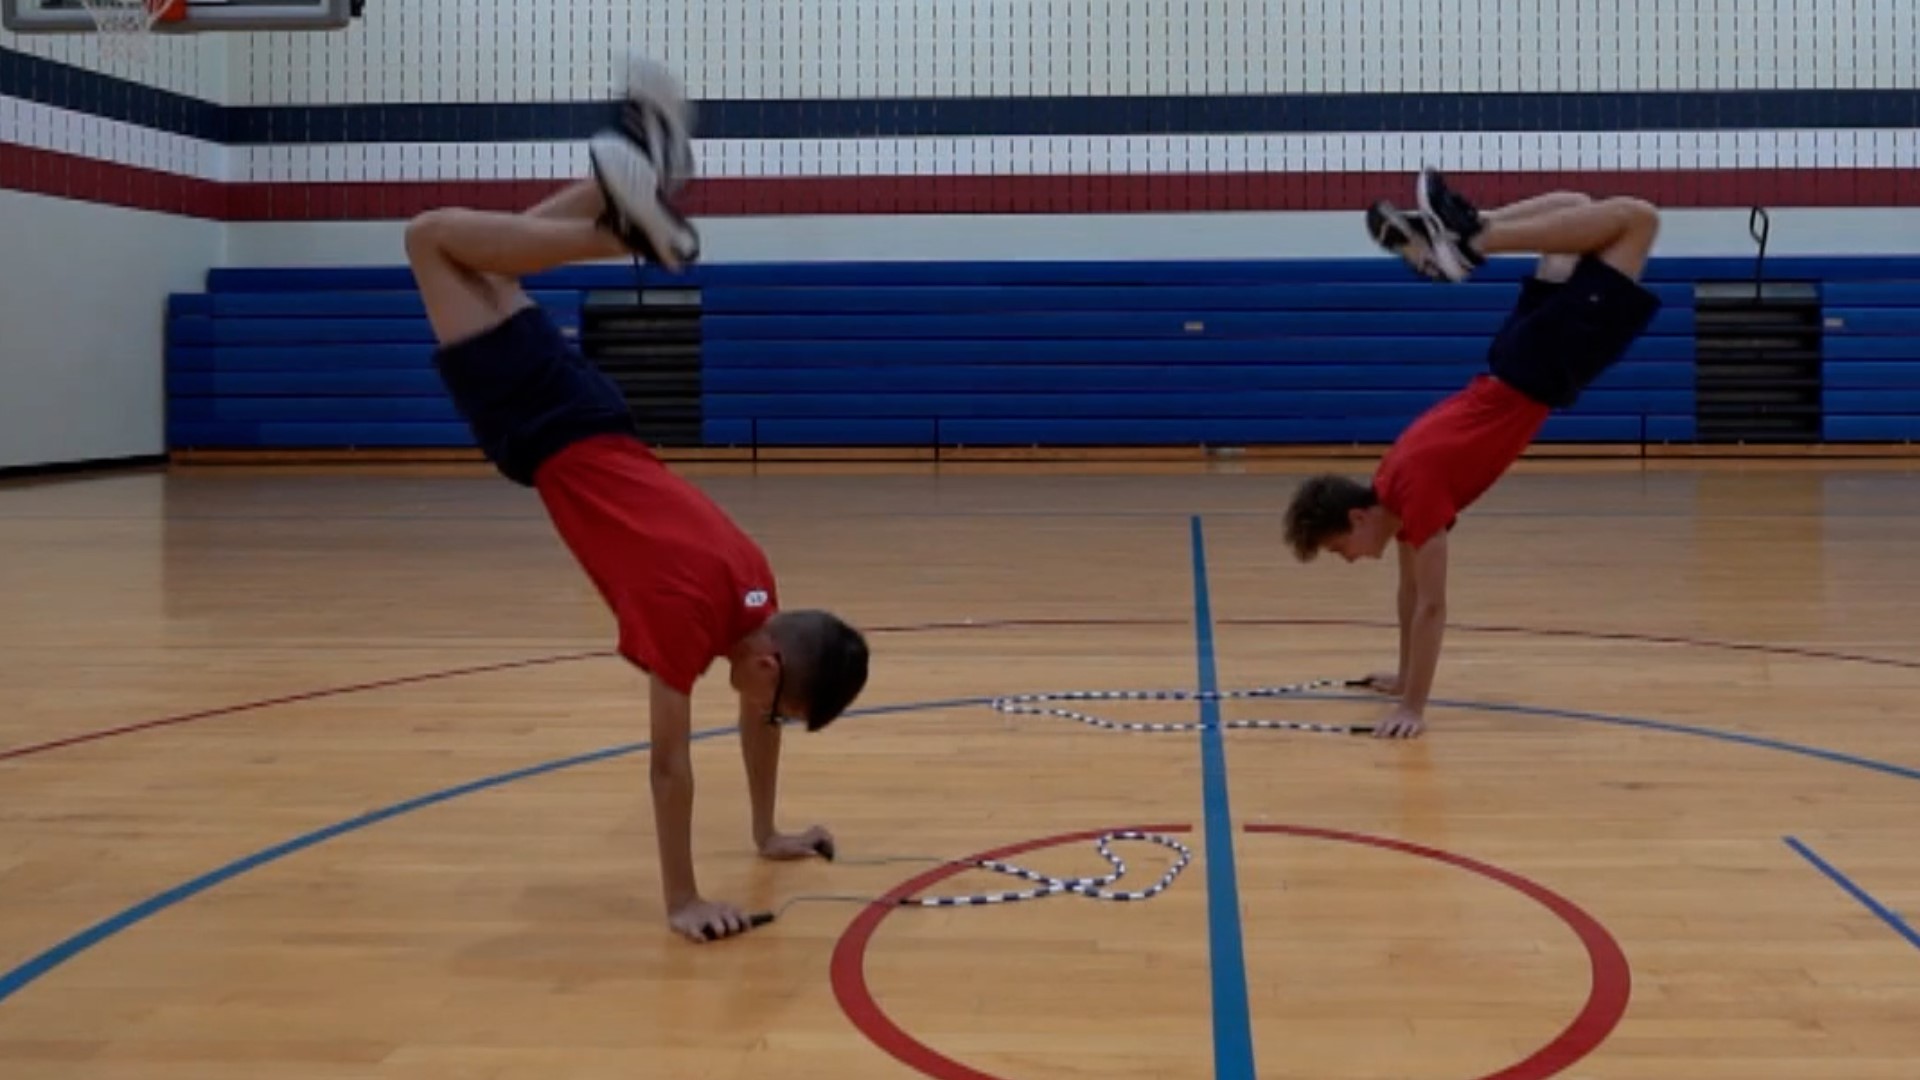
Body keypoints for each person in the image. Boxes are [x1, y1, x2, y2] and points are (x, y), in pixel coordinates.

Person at [403, 55, 871, 943]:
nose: (765, 716)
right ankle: (622, 235)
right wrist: (682, 900)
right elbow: (668, 769)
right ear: (770, 666)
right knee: (428, 238)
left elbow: (756, 714)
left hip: (595, 413)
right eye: (778, 704)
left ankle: (626, 181)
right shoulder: (687, 618)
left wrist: (770, 833)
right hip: (543, 428)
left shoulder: (754, 585)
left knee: (490, 265)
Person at [1282, 167, 1662, 739]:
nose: (1352, 559)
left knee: (1637, 220)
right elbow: (1410, 595)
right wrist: (1404, 678)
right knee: (1575, 207)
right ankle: (1470, 235)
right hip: (1516, 354)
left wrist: (1414, 709)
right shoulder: (1394, 486)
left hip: (1542, 363)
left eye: (1342, 549)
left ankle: (1470, 242)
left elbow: (1432, 607)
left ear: (1358, 516)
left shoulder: (1414, 492)